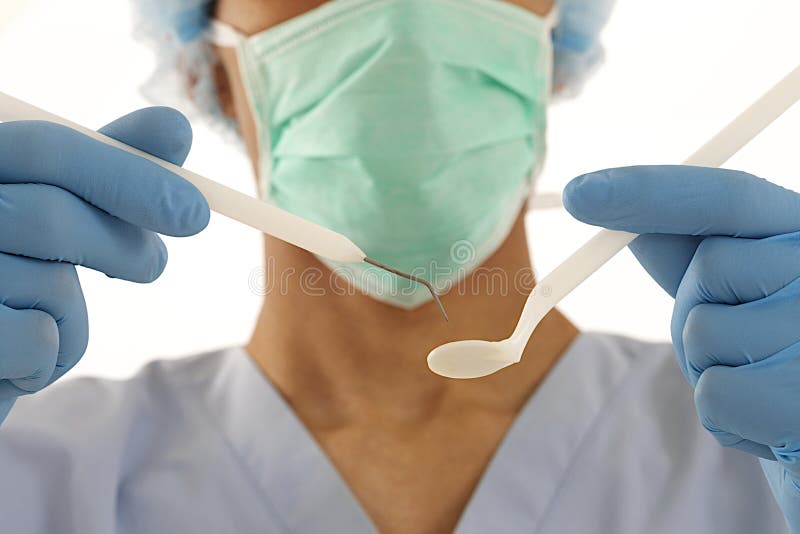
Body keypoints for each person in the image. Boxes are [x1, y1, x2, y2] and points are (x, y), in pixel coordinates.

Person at [0, 0, 798, 532]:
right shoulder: (39, 479)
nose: (404, 19)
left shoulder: (759, 454)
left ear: (555, 38)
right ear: (208, 59)